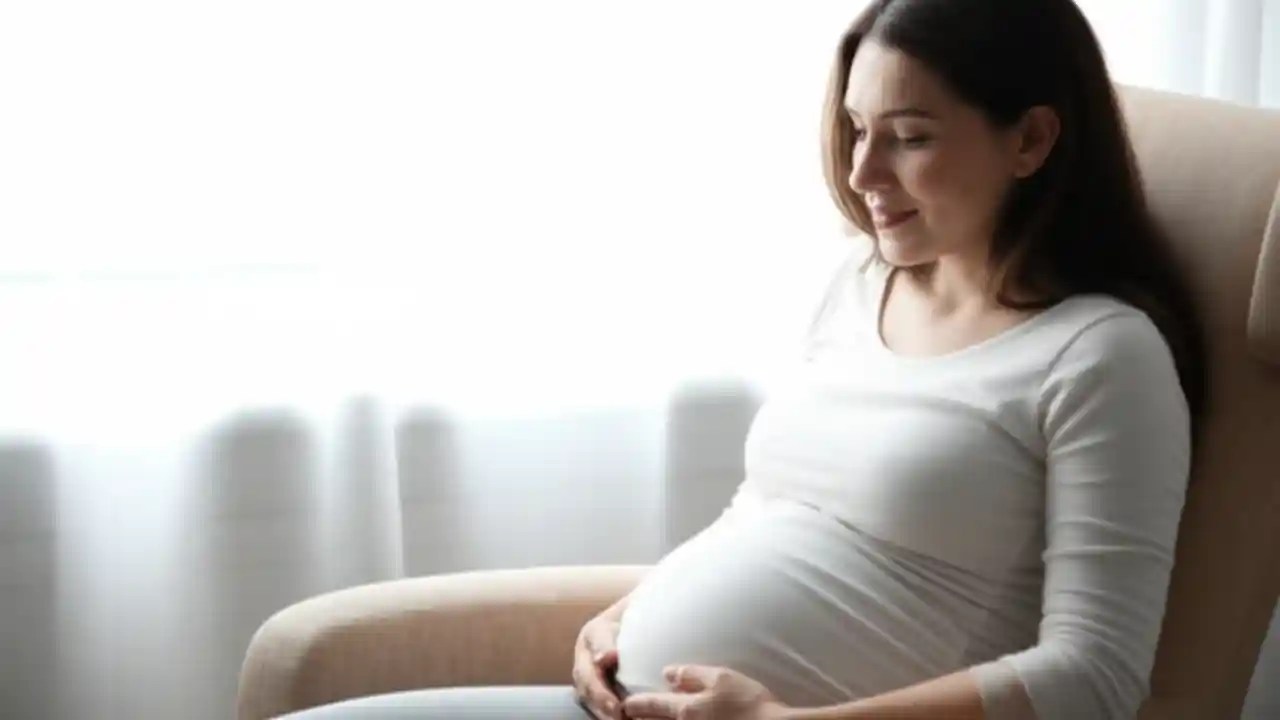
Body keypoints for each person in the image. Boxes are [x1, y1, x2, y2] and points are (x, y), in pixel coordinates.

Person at [283, 0, 1205, 718]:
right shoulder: (864, 281)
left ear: (1032, 140)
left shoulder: (1101, 357)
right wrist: (629, 616)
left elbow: (1094, 679)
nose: (861, 173)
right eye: (856, 129)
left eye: (911, 138)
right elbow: (770, 508)